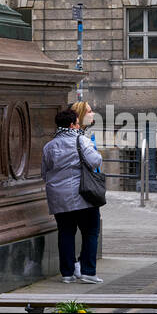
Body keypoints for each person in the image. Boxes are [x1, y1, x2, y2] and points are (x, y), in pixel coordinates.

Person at [42, 108, 104, 284]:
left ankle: (67, 273)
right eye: (77, 123)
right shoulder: (81, 140)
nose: (78, 126)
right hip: (83, 195)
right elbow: (95, 161)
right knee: (91, 232)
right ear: (71, 125)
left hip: (58, 198)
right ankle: (88, 272)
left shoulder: (49, 146)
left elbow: (44, 172)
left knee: (66, 233)